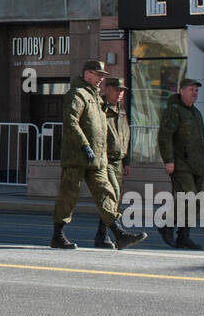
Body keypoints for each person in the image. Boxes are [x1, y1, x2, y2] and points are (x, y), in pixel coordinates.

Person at [50, 61, 147, 251]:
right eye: (98, 74)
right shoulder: (77, 94)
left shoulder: (96, 99)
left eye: (102, 75)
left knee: (106, 193)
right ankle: (57, 235)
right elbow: (71, 121)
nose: (101, 78)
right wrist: (85, 145)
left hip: (97, 158)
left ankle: (118, 233)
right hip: (77, 157)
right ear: (87, 74)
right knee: (68, 195)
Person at [157, 77, 204, 249]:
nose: (195, 93)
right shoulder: (174, 110)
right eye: (191, 89)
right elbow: (165, 136)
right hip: (181, 164)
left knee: (194, 201)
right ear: (182, 91)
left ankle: (183, 235)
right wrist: (169, 160)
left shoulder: (195, 112)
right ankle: (168, 227)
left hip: (197, 165)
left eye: (196, 90)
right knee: (188, 197)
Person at [95, 76, 131, 249]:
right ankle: (118, 233)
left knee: (114, 200)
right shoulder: (100, 108)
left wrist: (127, 160)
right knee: (111, 195)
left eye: (122, 91)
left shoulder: (121, 111)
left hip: (118, 161)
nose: (120, 94)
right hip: (105, 159)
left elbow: (125, 136)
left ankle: (102, 235)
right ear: (107, 90)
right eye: (117, 90)